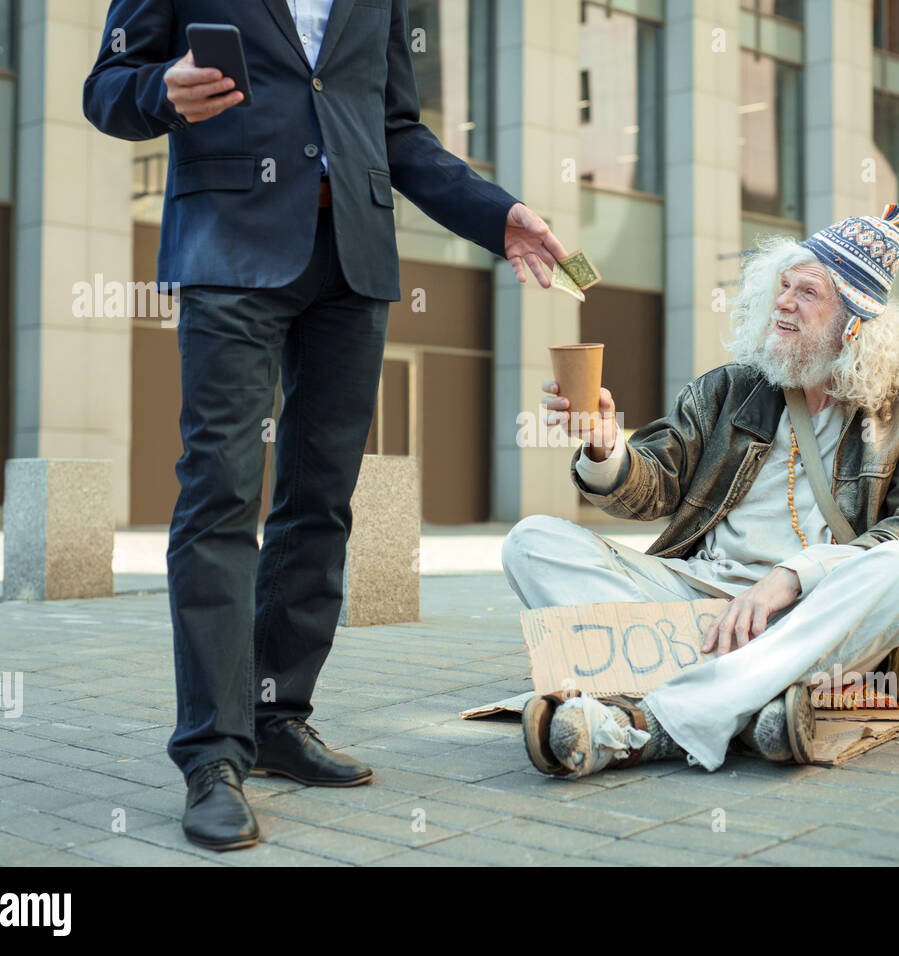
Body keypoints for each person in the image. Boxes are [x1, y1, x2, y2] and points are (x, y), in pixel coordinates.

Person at [83, 0, 569, 850]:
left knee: (320, 502)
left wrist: (494, 212)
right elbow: (107, 89)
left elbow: (394, 129)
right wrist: (162, 87)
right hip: (230, 253)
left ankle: (277, 717)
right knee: (222, 497)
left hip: (351, 260)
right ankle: (212, 753)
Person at [505, 204, 899, 777]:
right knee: (531, 542)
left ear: (854, 321)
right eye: (783, 286)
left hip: (814, 612)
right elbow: (656, 487)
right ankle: (753, 706)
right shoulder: (732, 386)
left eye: (807, 293)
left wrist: (793, 576)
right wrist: (606, 447)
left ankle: (648, 725)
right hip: (698, 605)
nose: (783, 302)